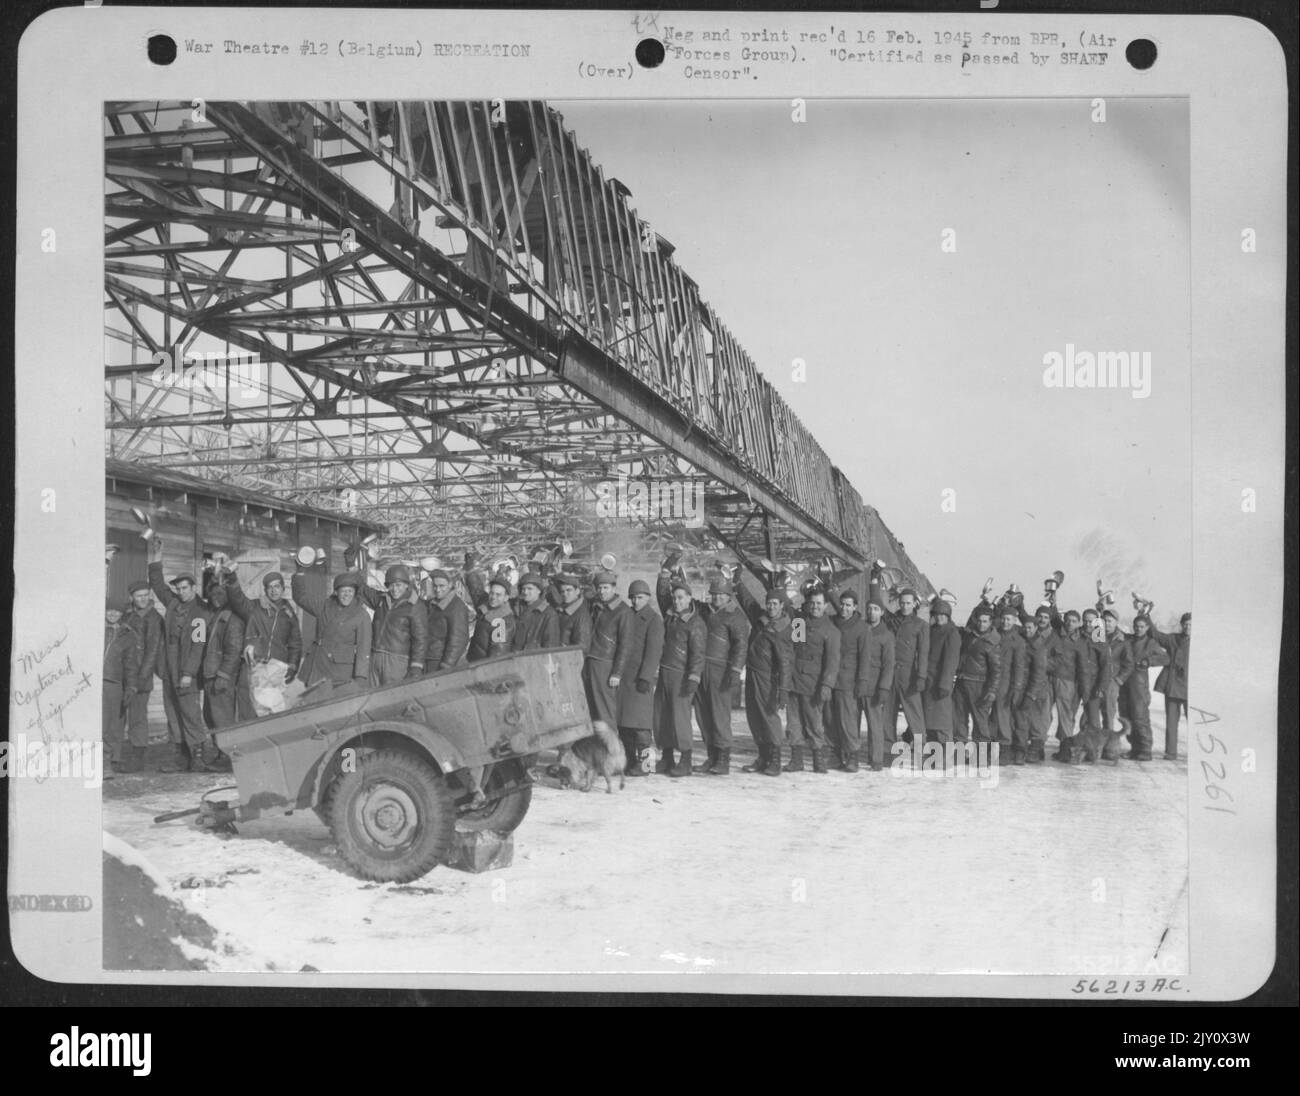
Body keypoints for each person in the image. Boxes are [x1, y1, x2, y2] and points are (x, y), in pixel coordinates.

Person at [147, 537, 214, 773]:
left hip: (187, 672)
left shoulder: (201, 612)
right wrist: (156, 556)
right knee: (172, 712)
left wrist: (188, 673)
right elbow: (156, 584)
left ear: (194, 588)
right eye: (178, 588)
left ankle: (197, 756)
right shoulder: (174, 604)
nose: (181, 591)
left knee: (190, 713)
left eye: (185, 587)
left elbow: (198, 646)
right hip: (169, 669)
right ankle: (180, 757)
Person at [223, 566, 302, 717]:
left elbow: (295, 643)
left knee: (272, 711)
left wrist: (293, 665)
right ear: (265, 590)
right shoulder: (254, 608)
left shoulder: (289, 613)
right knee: (248, 709)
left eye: (277, 586)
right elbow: (237, 598)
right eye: (270, 587)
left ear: (283, 588)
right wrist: (232, 579)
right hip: (253, 667)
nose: (274, 590)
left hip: (276, 668)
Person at [692, 576, 751, 775]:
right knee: (703, 715)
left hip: (721, 671)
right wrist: (668, 577)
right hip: (701, 668)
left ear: (729, 596)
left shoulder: (736, 616)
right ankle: (712, 757)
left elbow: (741, 646)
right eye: (714, 594)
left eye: (721, 594)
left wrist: (735, 671)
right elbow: (672, 600)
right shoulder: (703, 611)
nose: (716, 597)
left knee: (719, 716)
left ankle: (723, 760)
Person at [736, 583, 793, 777]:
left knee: (769, 718)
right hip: (752, 674)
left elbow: (785, 663)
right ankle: (763, 757)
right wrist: (737, 582)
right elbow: (748, 602)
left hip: (769, 678)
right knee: (754, 717)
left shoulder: (784, 628)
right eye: (769, 603)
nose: (771, 607)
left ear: (782, 605)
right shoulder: (760, 618)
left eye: (775, 604)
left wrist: (783, 690)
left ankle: (775, 760)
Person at [653, 577, 707, 777]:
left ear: (690, 598)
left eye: (681, 598)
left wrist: (693, 678)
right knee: (661, 717)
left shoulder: (695, 623)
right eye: (675, 598)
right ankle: (667, 758)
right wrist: (665, 573)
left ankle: (685, 760)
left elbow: (698, 655)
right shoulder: (671, 616)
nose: (676, 601)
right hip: (665, 673)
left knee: (680, 719)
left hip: (681, 676)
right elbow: (661, 594)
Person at [784, 587, 841, 773]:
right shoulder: (800, 623)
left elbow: (832, 663)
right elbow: (794, 650)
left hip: (813, 686)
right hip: (794, 681)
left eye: (819, 603)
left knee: (814, 724)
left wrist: (826, 685)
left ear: (825, 605)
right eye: (812, 603)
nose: (815, 607)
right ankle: (797, 760)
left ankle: (818, 760)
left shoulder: (831, 630)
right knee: (793, 723)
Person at [292, 569, 373, 690]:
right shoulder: (324, 606)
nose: (347, 594)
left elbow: (364, 649)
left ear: (355, 592)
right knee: (312, 701)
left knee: (335, 705)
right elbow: (301, 598)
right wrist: (299, 574)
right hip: (318, 664)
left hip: (340, 670)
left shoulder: (361, 615)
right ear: (336, 592)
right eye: (343, 591)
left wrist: (360, 677)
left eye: (350, 591)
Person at [618, 579, 664, 776]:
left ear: (648, 598)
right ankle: (630, 761)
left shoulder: (654, 620)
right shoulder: (627, 615)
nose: (636, 601)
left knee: (642, 727)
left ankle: (646, 765)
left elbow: (654, 652)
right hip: (625, 677)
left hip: (640, 680)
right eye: (634, 597)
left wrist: (646, 676)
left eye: (640, 597)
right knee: (625, 725)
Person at [200, 581, 245, 767]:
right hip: (211, 674)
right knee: (211, 717)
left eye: (220, 594)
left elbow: (233, 651)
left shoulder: (232, 619)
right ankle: (221, 753)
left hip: (221, 676)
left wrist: (223, 675)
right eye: (213, 595)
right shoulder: (215, 615)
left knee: (223, 718)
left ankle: (227, 757)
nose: (215, 598)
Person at [361, 564, 428, 684]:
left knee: (391, 697)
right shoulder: (382, 600)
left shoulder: (415, 606)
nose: (395, 589)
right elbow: (362, 589)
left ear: (406, 585)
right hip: (376, 656)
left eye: (398, 585)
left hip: (397, 660)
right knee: (373, 696)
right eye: (391, 585)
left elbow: (421, 639)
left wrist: (416, 666)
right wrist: (351, 565)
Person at [121, 579, 162, 773]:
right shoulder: (129, 616)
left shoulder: (153, 619)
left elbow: (152, 652)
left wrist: (140, 679)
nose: (143, 599)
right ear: (132, 598)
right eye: (139, 596)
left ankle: (138, 757)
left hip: (139, 677)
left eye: (146, 595)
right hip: (124, 674)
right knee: (122, 715)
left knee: (137, 716)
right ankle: (118, 753)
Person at [825, 588, 867, 771]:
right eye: (842, 604)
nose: (844, 608)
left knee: (847, 720)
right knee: (829, 719)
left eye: (849, 605)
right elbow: (801, 625)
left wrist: (862, 682)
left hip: (848, 682)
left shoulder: (862, 627)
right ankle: (835, 754)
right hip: (829, 680)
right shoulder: (831, 622)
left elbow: (865, 657)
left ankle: (853, 756)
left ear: (855, 607)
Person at [1119, 613, 1170, 761]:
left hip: (1139, 684)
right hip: (1124, 682)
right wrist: (1102, 611)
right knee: (1126, 715)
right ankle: (1134, 748)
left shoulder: (1150, 643)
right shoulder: (1128, 639)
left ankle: (1145, 749)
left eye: (1142, 627)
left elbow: (1165, 658)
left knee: (1140, 716)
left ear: (1147, 627)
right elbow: (1113, 629)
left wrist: (1148, 661)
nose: (1138, 629)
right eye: (1136, 626)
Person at [584, 569, 632, 725]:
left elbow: (625, 644)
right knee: (591, 709)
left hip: (605, 663)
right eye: (599, 588)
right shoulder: (595, 606)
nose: (602, 591)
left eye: (606, 588)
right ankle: (597, 747)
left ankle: (612, 747)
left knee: (605, 709)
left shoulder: (623, 611)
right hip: (590, 661)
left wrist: (617, 673)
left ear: (614, 588)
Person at [954, 604, 1001, 756]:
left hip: (979, 685)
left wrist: (991, 691)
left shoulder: (992, 643)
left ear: (991, 623)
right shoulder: (969, 635)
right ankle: (959, 753)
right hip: (962, 682)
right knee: (959, 718)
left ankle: (981, 756)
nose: (982, 624)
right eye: (980, 621)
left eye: (985, 621)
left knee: (980, 721)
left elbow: (996, 671)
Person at [887, 586, 930, 749]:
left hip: (909, 676)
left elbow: (923, 653)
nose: (905, 606)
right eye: (902, 603)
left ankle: (921, 748)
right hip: (890, 674)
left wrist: (921, 676)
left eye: (908, 603)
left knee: (914, 713)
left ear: (914, 604)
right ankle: (887, 748)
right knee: (888, 713)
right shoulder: (891, 620)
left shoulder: (921, 625)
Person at [103, 599, 141, 781]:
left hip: (114, 682)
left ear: (122, 614)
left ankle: (108, 762)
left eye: (116, 611)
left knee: (113, 724)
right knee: (98, 723)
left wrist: (131, 686)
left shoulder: (127, 635)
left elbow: (131, 664)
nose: (112, 614)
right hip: (93, 682)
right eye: (109, 610)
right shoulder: (94, 628)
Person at [859, 592, 897, 771]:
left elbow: (889, 665)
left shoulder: (887, 636)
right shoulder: (861, 629)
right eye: (869, 609)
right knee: (852, 722)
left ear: (882, 612)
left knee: (875, 725)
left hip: (874, 686)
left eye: (875, 609)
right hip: (857, 684)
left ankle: (876, 759)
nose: (872, 613)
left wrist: (884, 687)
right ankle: (852, 755)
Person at [1074, 608, 1112, 763]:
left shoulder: (1099, 637)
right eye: (1086, 620)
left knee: (1094, 721)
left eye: (1091, 621)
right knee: (1074, 718)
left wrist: (1101, 687)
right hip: (1077, 681)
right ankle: (1075, 748)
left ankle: (1095, 751)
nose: (1088, 624)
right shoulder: (1078, 635)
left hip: (1093, 683)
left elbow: (1106, 666)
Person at [923, 599, 963, 748]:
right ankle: (934, 754)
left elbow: (950, 662)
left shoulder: (952, 633)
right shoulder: (932, 630)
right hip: (929, 682)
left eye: (943, 615)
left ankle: (944, 756)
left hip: (941, 684)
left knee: (942, 721)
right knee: (930, 721)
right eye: (937, 614)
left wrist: (945, 684)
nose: (939, 617)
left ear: (948, 616)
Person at [1152, 611, 1190, 761]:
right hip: (1173, 686)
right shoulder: (1173, 639)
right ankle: (1171, 752)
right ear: (1181, 625)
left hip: (1192, 689)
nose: (1188, 627)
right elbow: (1155, 634)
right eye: (1185, 624)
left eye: (1191, 625)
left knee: (1194, 724)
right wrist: (1146, 614)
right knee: (1171, 722)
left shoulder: (1203, 643)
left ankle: (1197, 753)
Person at [993, 605, 1028, 764]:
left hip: (1006, 681)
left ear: (1014, 621)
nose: (1005, 622)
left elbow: (1019, 666)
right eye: (1003, 618)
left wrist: (1016, 687)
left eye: (1008, 619)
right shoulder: (994, 635)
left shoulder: (1018, 641)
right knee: (991, 714)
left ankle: (1006, 747)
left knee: (1002, 713)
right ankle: (992, 746)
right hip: (991, 679)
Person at [1016, 615, 1052, 763]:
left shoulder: (1038, 645)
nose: (1027, 629)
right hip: (1023, 686)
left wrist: (1032, 693)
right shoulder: (1022, 641)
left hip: (1037, 689)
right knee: (1023, 719)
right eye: (1025, 626)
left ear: (1037, 628)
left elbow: (1039, 672)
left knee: (1037, 720)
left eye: (1030, 627)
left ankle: (1036, 749)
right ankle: (1022, 748)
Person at [1099, 609, 1134, 760]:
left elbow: (1129, 664)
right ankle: (1091, 745)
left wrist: (1118, 680)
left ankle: (1109, 747)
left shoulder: (1122, 641)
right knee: (1090, 714)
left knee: (1108, 713)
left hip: (1111, 682)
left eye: (1110, 621)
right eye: (1104, 620)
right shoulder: (1096, 637)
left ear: (1116, 622)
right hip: (1095, 680)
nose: (1106, 623)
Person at [424, 569, 472, 671]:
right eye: (435, 586)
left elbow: (458, 639)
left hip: (440, 660)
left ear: (450, 585)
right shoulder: (433, 603)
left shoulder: (456, 607)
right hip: (429, 657)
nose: (437, 589)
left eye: (442, 586)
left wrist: (447, 665)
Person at [468, 575, 516, 661]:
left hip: (483, 666)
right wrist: (470, 572)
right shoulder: (486, 607)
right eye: (492, 593)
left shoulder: (502, 621)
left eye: (498, 595)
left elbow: (498, 653)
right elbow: (476, 590)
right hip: (474, 661)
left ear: (506, 598)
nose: (493, 597)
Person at [512, 571, 561, 651]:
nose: (525, 592)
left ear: (539, 591)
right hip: (513, 658)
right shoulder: (516, 609)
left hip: (534, 659)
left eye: (529, 589)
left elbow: (551, 645)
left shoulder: (549, 614)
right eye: (523, 589)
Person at [554, 571, 594, 651]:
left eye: (569, 590)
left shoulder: (581, 616)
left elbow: (582, 648)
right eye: (562, 591)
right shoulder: (562, 610)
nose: (565, 594)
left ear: (577, 591)